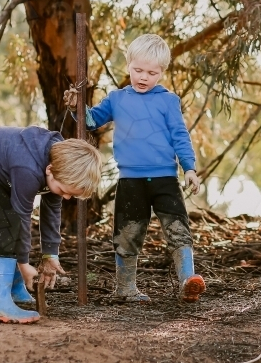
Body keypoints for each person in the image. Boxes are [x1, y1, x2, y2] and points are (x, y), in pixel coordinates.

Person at [65, 34, 205, 304]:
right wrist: (76, 107)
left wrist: (189, 168)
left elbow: (180, 135)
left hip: (165, 178)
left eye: (152, 73)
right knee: (127, 233)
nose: (143, 77)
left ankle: (189, 280)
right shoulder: (117, 99)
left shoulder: (168, 100)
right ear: (128, 65)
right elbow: (92, 120)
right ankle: (125, 287)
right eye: (138, 70)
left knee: (177, 229)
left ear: (162, 72)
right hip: (130, 180)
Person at [0, 127, 102, 323]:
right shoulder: (27, 169)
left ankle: (13, 289)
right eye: (64, 191)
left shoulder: (59, 164)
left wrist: (50, 254)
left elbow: (52, 212)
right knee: (1, 225)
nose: (67, 197)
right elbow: (22, 216)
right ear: (50, 170)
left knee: (10, 221)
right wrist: (23, 263)